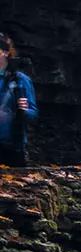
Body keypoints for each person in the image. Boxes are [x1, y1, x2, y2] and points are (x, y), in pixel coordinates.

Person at [0, 33, 38, 169]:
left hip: (11, 146)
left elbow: (33, 113)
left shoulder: (20, 80)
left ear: (4, 52)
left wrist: (24, 110)